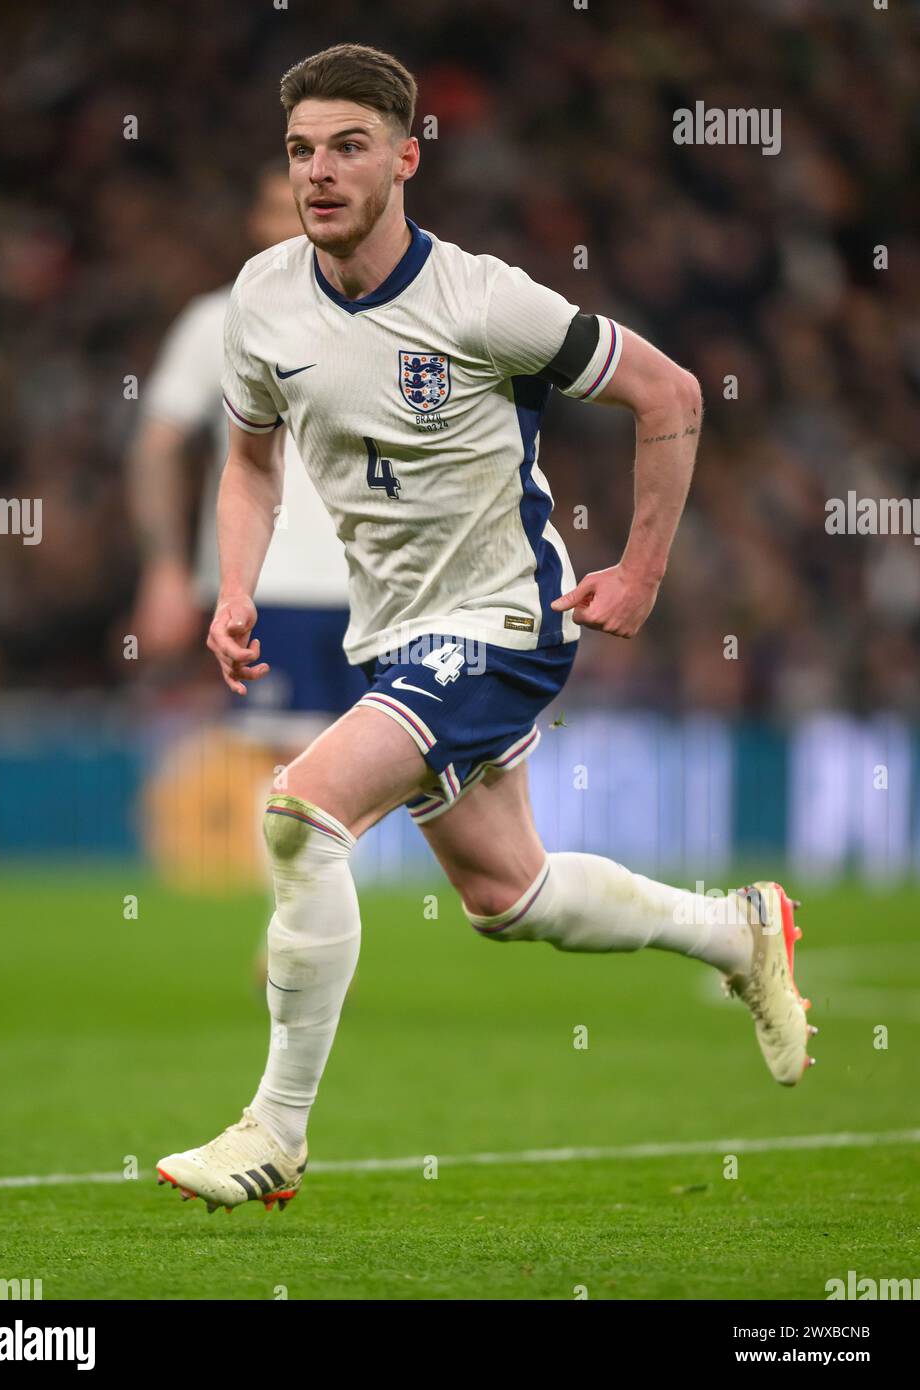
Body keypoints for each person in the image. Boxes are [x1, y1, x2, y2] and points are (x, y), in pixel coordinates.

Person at [156, 43, 815, 1216]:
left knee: (300, 815)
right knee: (509, 896)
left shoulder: (483, 299)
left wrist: (641, 573)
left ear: (406, 159)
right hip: (393, 633)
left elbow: (669, 393)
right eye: (301, 150)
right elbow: (250, 461)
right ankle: (736, 928)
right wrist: (235, 586)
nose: (319, 171)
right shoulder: (261, 298)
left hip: (504, 618)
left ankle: (276, 1130)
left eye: (349, 147)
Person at [127, 160, 361, 747]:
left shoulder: (388, 316)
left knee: (395, 764)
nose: (296, 224)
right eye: (282, 209)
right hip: (268, 586)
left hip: (383, 584)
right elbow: (157, 445)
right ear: (257, 222)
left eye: (311, 208)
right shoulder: (217, 320)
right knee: (283, 766)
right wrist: (165, 568)